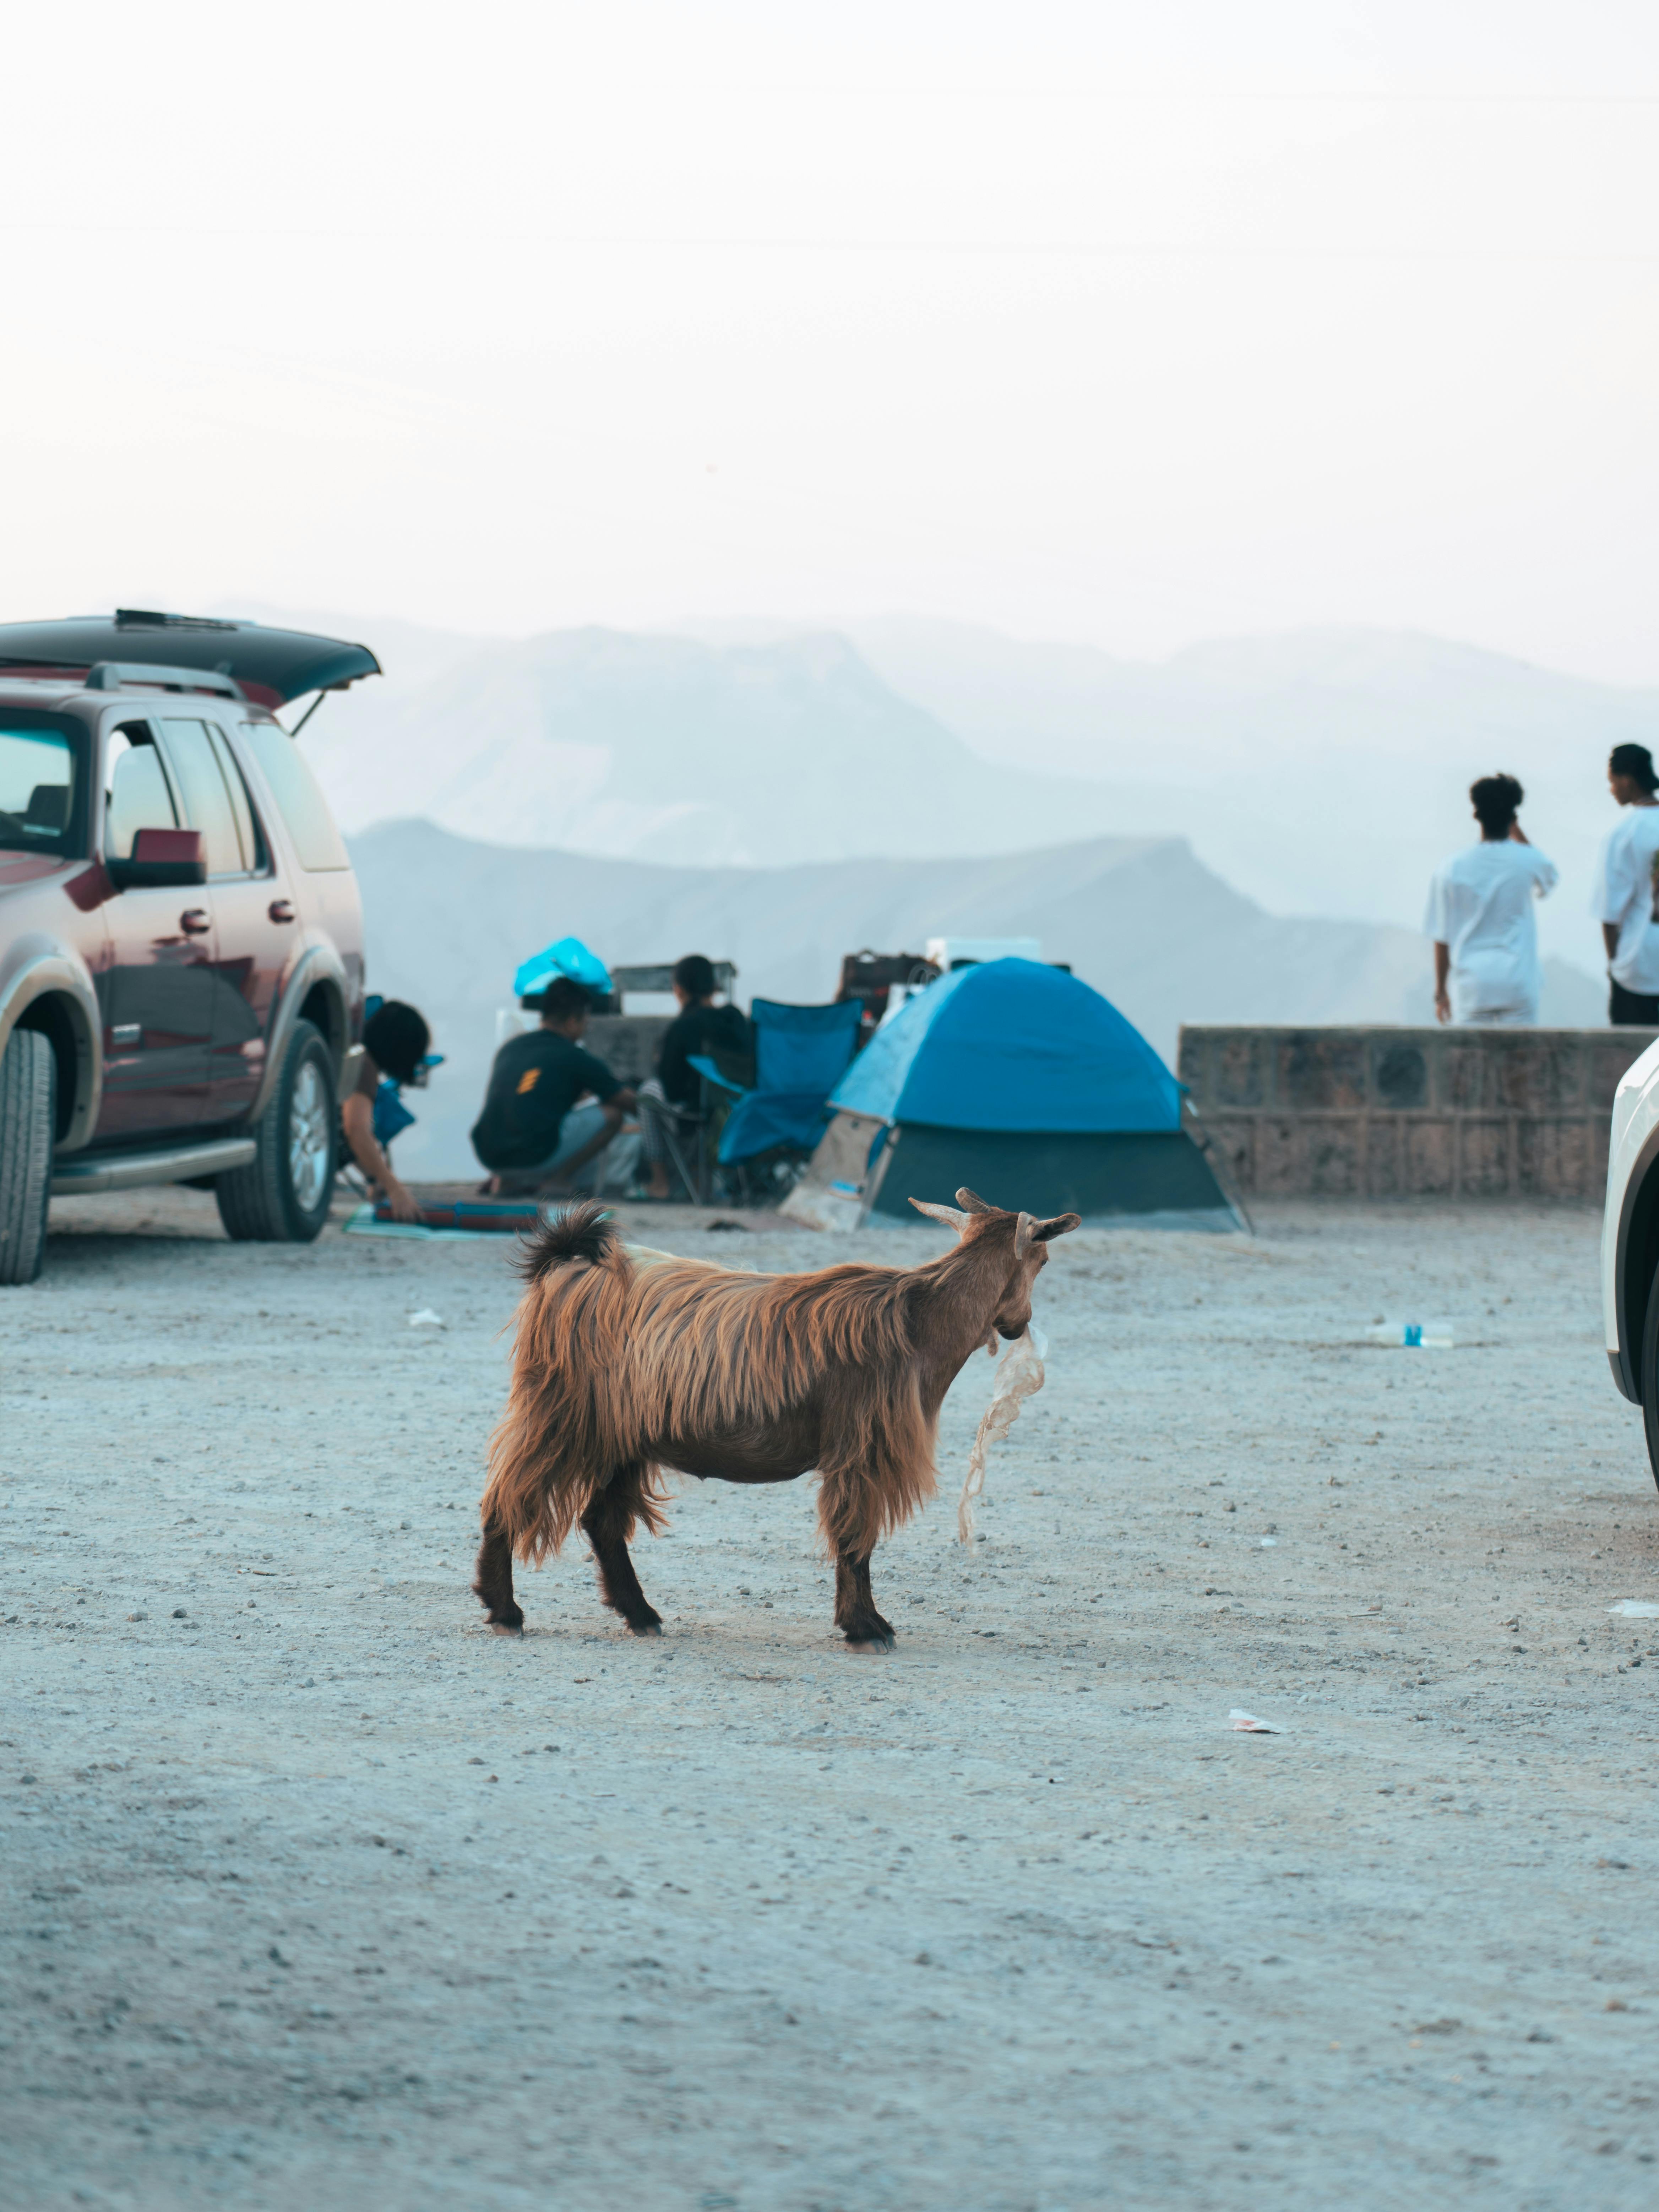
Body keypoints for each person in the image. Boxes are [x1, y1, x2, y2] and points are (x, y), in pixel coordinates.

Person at [471, 975, 640, 1195]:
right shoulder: (574, 1056)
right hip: (534, 1157)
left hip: (488, 1155)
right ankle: (558, 1181)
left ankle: (504, 1181)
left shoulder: (512, 1047)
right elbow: (625, 1102)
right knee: (613, 1115)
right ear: (572, 1022)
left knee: (522, 1110)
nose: (586, 1027)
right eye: (585, 1021)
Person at [1424, 773, 1557, 1026]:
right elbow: (1549, 876)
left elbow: (1442, 937)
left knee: (1470, 1062)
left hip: (1472, 985)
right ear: (1513, 817)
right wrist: (1516, 829)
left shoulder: (1451, 868)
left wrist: (1441, 992)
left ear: (1476, 815)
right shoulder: (1527, 860)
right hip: (1518, 982)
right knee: (1521, 1061)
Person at [638, 954, 751, 1200]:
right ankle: (704, 1179)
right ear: (714, 987)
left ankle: (661, 1182)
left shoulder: (683, 1027)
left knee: (648, 1092)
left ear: (678, 990)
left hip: (696, 1118)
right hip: (740, 1113)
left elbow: (671, 1087)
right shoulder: (736, 1019)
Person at [341, 999, 431, 1222]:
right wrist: (395, 1190)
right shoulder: (364, 1064)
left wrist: (376, 1180)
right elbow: (355, 1130)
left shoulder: (350, 1053)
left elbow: (346, 1133)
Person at [1593, 742, 1659, 1026]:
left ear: (1626, 780)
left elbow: (1610, 915)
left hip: (1639, 965)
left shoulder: (1622, 835)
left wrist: (1614, 966)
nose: (1612, 790)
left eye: (1612, 782)